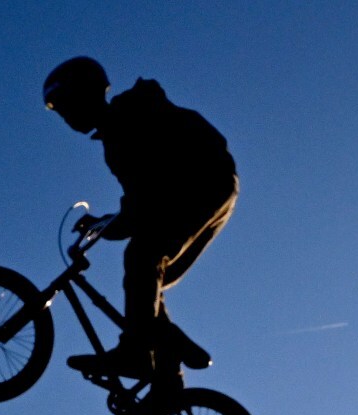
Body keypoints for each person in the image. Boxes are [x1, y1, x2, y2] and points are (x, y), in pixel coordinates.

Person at [43, 57, 237, 382]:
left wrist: (107, 224)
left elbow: (143, 202)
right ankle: (167, 380)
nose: (65, 117)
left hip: (204, 180)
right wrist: (103, 223)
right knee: (149, 279)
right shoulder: (117, 133)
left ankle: (138, 353)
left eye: (66, 107)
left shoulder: (128, 119)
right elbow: (140, 204)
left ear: (84, 95)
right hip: (203, 186)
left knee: (143, 255)